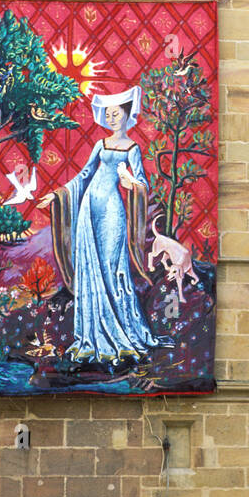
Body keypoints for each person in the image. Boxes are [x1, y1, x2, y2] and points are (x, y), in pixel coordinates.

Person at [37, 86, 158, 368]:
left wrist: (133, 185)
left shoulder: (132, 148)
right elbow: (84, 175)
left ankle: (121, 333)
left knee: (111, 266)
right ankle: (92, 336)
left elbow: (142, 182)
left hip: (113, 210)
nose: (113, 117)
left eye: (117, 113)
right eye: (109, 113)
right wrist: (57, 194)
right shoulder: (100, 145)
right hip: (88, 208)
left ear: (127, 115)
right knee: (92, 268)